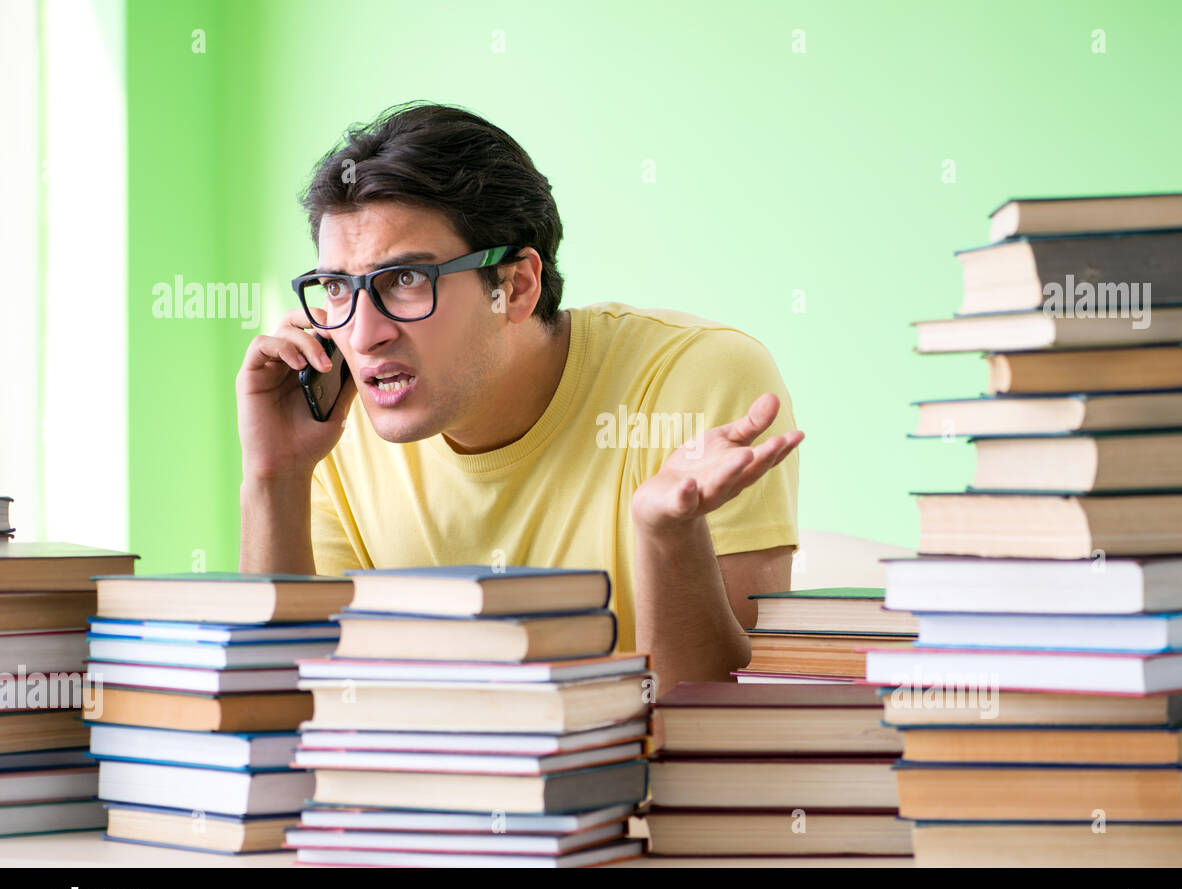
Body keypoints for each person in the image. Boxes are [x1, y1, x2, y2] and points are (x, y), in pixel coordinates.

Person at [236, 102, 803, 693]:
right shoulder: (333, 426)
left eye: (405, 280)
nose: (362, 334)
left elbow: (728, 718)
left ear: (515, 286)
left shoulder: (698, 379)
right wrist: (276, 474)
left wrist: (669, 538)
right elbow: (278, 711)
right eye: (335, 287)